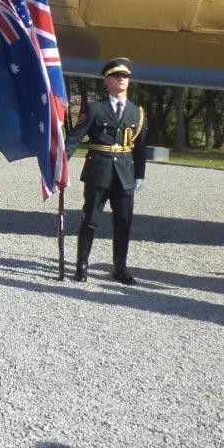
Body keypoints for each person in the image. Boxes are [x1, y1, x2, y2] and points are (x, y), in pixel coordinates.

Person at [65, 57, 146, 285]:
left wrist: (139, 175)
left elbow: (139, 148)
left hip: (125, 174)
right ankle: (82, 265)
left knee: (123, 222)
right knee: (89, 220)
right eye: (116, 75)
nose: (121, 79)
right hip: (99, 170)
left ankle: (120, 267)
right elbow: (75, 138)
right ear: (106, 80)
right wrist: (61, 164)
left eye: (125, 76)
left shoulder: (136, 112)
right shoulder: (94, 109)